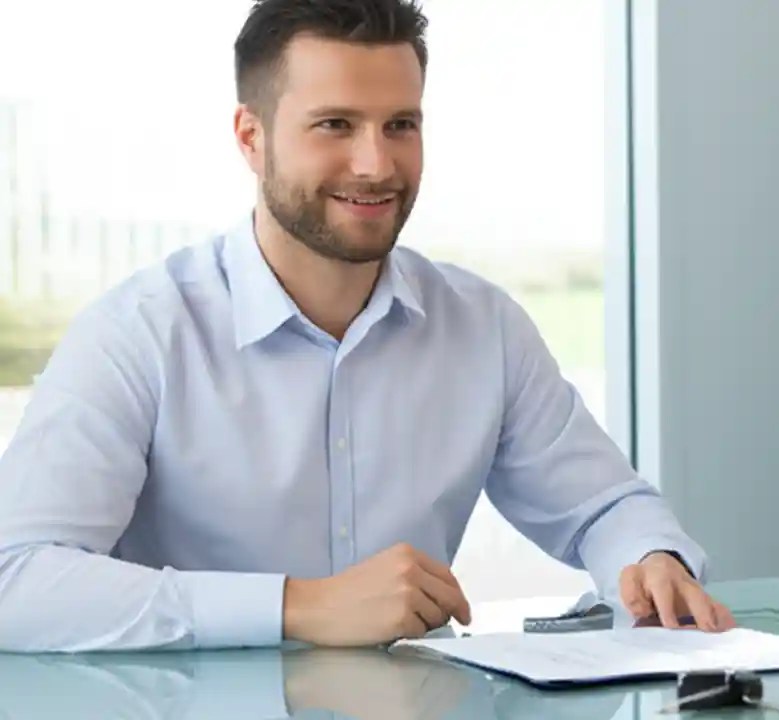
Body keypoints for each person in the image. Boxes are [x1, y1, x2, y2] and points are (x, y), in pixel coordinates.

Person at [0, 0, 732, 653]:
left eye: (400, 125)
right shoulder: (140, 334)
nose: (376, 164)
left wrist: (648, 559)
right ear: (250, 138)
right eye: (335, 126)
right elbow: (16, 581)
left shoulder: (484, 327)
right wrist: (298, 606)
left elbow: (604, 507)